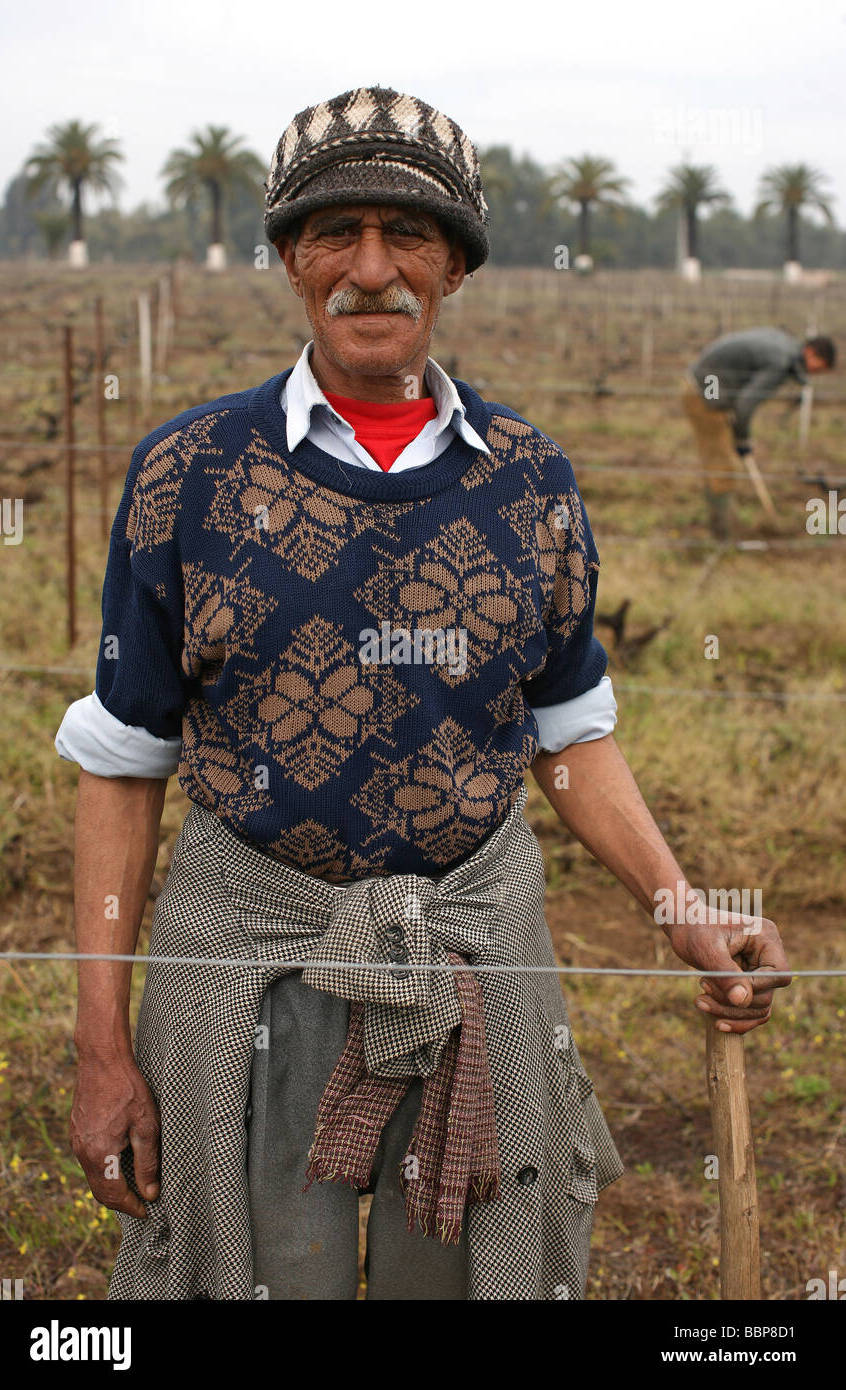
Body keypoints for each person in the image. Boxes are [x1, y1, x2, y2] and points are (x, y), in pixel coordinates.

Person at [55, 86, 792, 1302]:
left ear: (457, 266)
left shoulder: (531, 480)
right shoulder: (185, 473)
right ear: (289, 259)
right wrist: (98, 1048)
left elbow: (568, 737)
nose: (371, 268)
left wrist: (683, 910)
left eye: (409, 235)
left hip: (472, 954)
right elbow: (124, 760)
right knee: (248, 1270)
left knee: (465, 1277)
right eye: (332, 233)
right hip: (249, 956)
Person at [682, 326, 835, 538]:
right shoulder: (780, 362)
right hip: (706, 390)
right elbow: (745, 405)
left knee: (719, 460)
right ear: (811, 353)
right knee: (721, 464)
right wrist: (743, 439)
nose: (815, 374)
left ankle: (722, 525)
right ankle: (723, 535)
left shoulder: (786, 346)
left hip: (709, 385)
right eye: (818, 368)